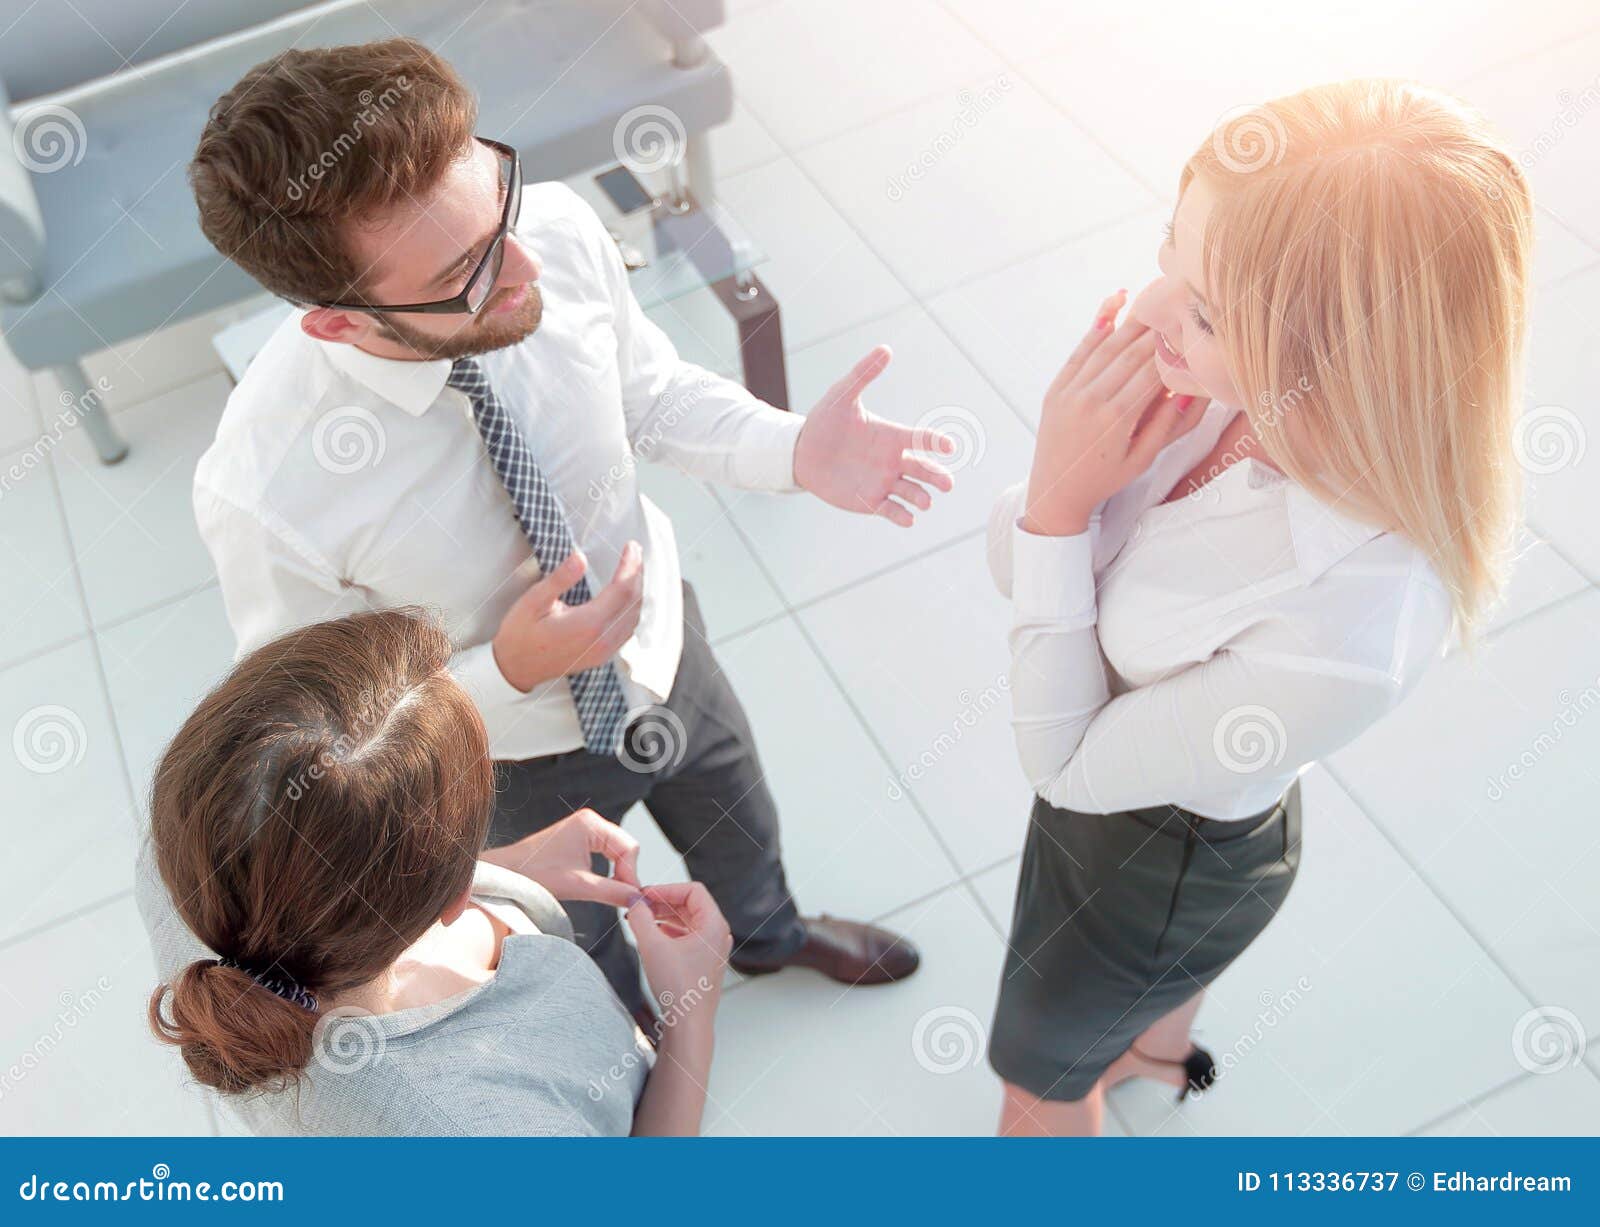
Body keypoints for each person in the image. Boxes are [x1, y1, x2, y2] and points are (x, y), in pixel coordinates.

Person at [186, 38, 952, 1033]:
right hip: (501, 770)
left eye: (497, 203)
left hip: (665, 648)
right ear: (338, 323)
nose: (528, 263)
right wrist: (502, 671)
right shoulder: (263, 491)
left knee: (738, 822)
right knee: (576, 939)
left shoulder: (548, 229)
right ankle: (630, 1050)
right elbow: (322, 738)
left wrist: (793, 449)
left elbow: (647, 391)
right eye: (467, 270)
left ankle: (765, 935)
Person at [985, 79, 1531, 1136]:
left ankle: (1127, 1063)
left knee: (1035, 1083)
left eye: (1204, 310)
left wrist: (1060, 503)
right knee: (1145, 997)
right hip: (1197, 806)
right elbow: (1005, 562)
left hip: (1158, 860)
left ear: (1351, 363)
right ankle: (1157, 1056)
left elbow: (1063, 765)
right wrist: (1060, 496)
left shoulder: (1349, 625)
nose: (1146, 316)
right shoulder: (1215, 381)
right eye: (1167, 255)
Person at [139, 608, 730, 1136]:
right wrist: (690, 1017)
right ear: (452, 900)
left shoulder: (175, 869)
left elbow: (303, 874)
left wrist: (509, 869)